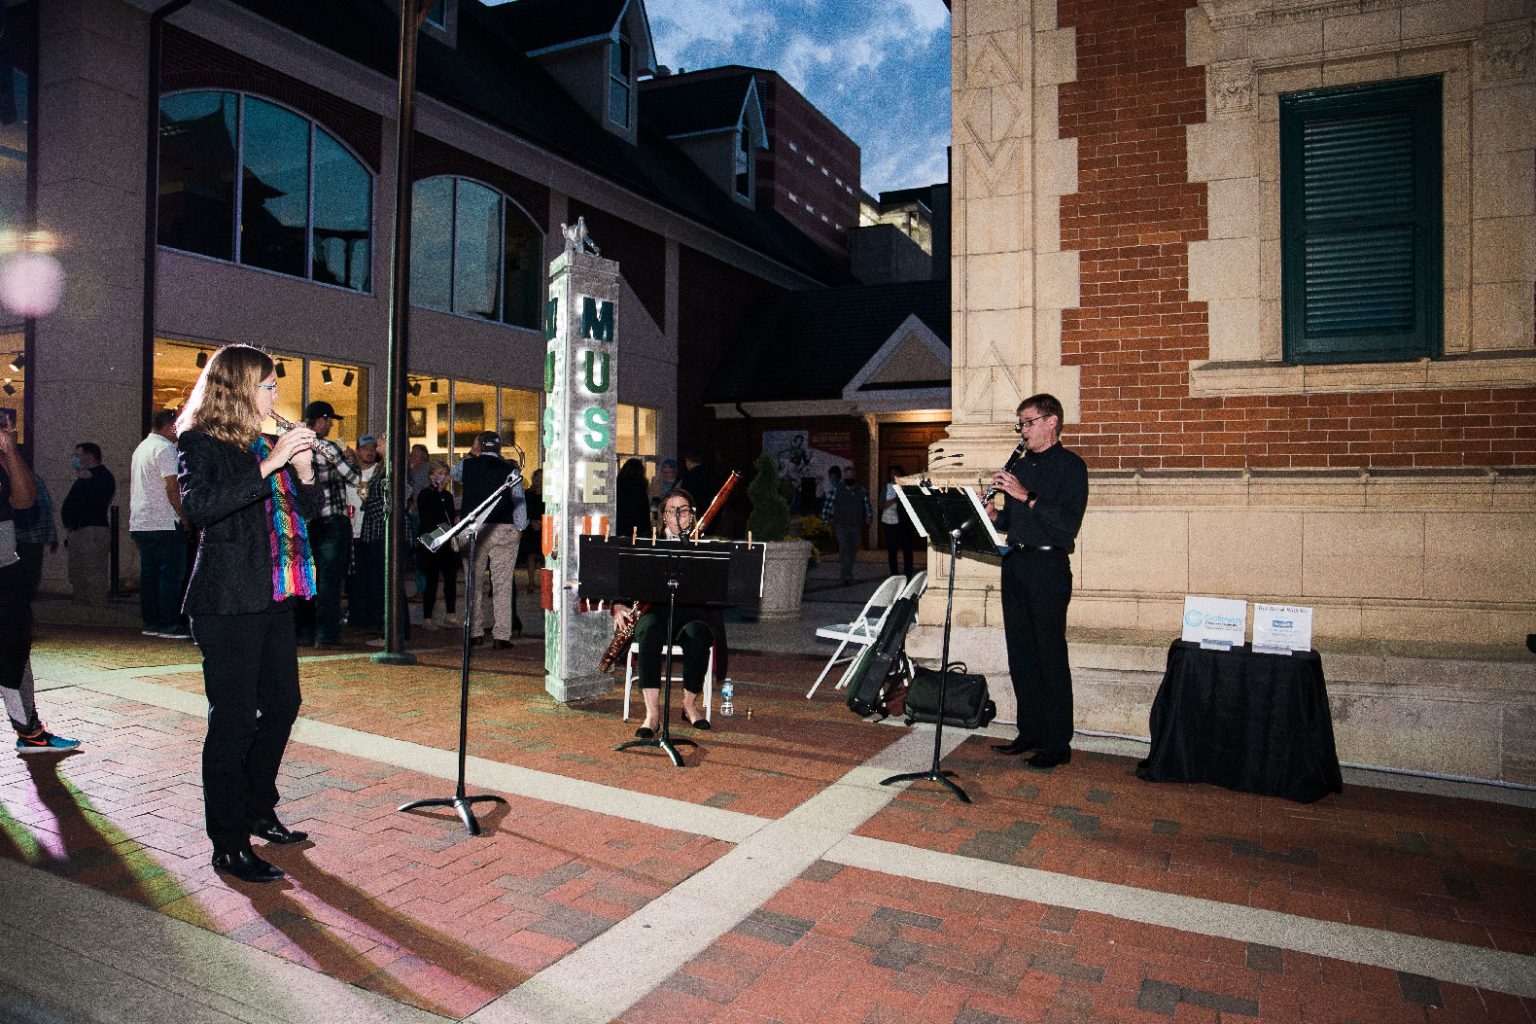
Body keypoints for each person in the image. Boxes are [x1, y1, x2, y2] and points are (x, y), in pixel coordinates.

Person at [176, 344, 319, 884]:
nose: (276, 394)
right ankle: (228, 842)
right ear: (239, 389)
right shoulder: (200, 441)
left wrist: (303, 471)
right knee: (232, 721)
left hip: (276, 595)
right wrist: (273, 461)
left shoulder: (265, 443)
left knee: (283, 704)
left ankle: (260, 808)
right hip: (228, 601)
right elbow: (201, 507)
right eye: (268, 385)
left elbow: (306, 515)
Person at [985, 394, 1089, 770]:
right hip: (1016, 563)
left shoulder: (1072, 468)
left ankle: (1057, 742)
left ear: (1051, 422)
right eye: (1021, 424)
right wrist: (993, 514)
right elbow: (1012, 524)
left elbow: (1066, 524)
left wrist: (1024, 495)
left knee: (1050, 655)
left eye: (1027, 423)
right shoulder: (1022, 466)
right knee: (1022, 654)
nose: (1023, 431)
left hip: (1048, 565)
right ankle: (1029, 732)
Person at [612, 488, 722, 737]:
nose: (677, 515)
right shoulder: (647, 543)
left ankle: (689, 705)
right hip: (654, 614)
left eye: (683, 510)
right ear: (663, 516)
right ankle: (652, 714)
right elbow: (625, 580)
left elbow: (715, 591)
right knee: (649, 632)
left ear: (692, 516)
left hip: (690, 615)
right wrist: (619, 604)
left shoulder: (705, 547)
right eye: (671, 511)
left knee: (699, 636)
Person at [1, 419, 80, 754]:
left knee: (14, 648)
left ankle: (30, 731)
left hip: (5, 567)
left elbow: (25, 499)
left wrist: (9, 449)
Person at [294, 400, 358, 648]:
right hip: (333, 519)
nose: (331, 424)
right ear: (320, 421)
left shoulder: (296, 446)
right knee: (330, 580)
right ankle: (327, 635)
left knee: (308, 579)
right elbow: (352, 477)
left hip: (308, 521)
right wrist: (349, 458)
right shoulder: (326, 447)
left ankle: (305, 633)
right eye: (329, 420)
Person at [459, 431, 527, 649]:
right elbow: (518, 499)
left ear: (479, 445)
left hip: (473, 529)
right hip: (503, 528)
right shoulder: (511, 470)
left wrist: (472, 453)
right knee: (502, 584)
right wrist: (520, 526)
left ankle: (474, 632)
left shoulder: (467, 466)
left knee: (473, 583)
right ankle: (501, 635)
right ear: (499, 448)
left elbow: (453, 473)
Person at [130, 410, 190, 638]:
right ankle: (168, 623)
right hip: (164, 521)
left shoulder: (142, 447)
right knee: (170, 574)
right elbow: (172, 486)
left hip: (142, 521)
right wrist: (184, 517)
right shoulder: (166, 449)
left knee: (150, 574)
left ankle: (151, 621)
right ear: (171, 426)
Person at [61, 441, 115, 606]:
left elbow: (99, 499)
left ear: (89, 455)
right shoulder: (84, 477)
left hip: (92, 531)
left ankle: (97, 610)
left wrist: (90, 479)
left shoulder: (102, 475)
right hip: (77, 531)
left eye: (78, 455)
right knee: (77, 573)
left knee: (94, 572)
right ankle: (81, 608)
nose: (75, 459)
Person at [349, 434, 387, 634]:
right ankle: (358, 619)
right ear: (358, 451)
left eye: (373, 448)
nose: (370, 452)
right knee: (357, 579)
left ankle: (373, 621)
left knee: (374, 577)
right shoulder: (349, 473)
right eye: (365, 448)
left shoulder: (379, 472)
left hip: (373, 531)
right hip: (353, 531)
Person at [415, 461, 458, 629]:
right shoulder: (425, 494)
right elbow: (428, 516)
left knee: (450, 578)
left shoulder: (447, 496)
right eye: (439, 473)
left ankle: (451, 614)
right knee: (431, 580)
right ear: (431, 476)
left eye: (445, 474)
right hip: (431, 541)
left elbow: (448, 514)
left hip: (446, 542)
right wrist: (436, 491)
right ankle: (427, 618)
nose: (443, 477)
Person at [821, 464, 871, 586]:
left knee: (853, 548)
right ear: (844, 476)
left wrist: (869, 516)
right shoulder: (836, 489)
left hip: (856, 524)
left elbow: (866, 504)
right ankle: (846, 574)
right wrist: (825, 522)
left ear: (854, 476)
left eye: (851, 476)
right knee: (844, 548)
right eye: (846, 476)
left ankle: (848, 570)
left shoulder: (861, 489)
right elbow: (827, 506)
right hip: (841, 524)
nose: (849, 478)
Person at [13, 468, 57, 597]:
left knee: (23, 575)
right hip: (33, 536)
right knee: (30, 573)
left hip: (24, 535)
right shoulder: (36, 479)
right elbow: (47, 511)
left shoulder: (24, 480)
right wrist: (51, 536)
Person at [881, 464, 915, 579]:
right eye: (891, 473)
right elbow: (882, 505)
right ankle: (894, 574)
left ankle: (908, 574)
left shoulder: (907, 486)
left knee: (907, 549)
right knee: (892, 550)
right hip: (889, 522)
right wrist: (895, 498)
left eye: (896, 473)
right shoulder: (886, 487)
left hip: (904, 522)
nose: (893, 475)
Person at [615, 457, 650, 539]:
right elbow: (643, 511)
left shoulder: (618, 485)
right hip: (636, 528)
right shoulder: (639, 487)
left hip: (620, 525)